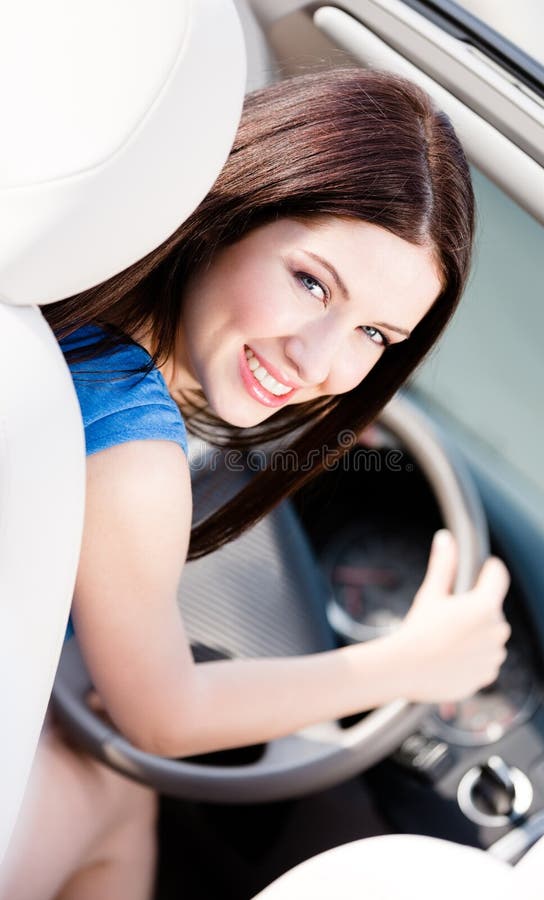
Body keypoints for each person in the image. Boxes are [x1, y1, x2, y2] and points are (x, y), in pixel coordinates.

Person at [0, 68, 511, 900]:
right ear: (233, 208)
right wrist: (413, 664)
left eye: (374, 333)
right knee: (122, 792)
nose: (322, 361)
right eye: (311, 283)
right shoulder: (134, 454)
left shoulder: (55, 292)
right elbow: (161, 716)